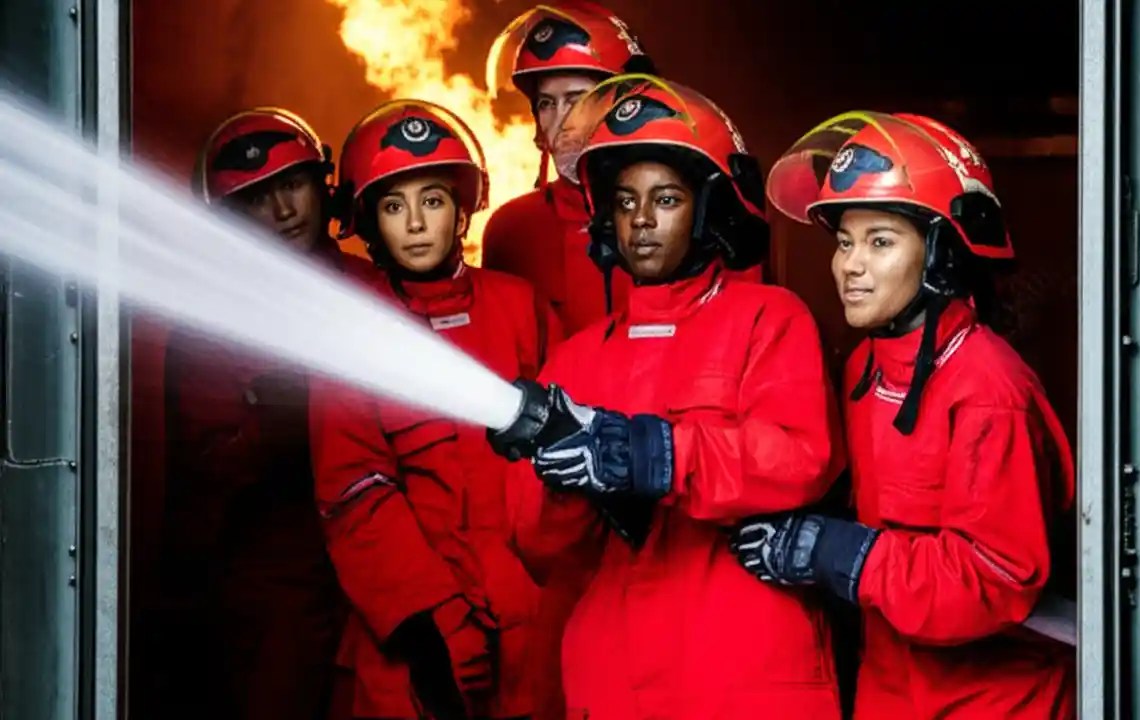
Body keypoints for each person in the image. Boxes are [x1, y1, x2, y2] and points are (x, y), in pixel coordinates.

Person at [488, 76, 841, 720]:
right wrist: (558, 478)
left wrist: (652, 453)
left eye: (666, 199)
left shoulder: (770, 318)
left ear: (706, 208)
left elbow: (800, 458)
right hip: (612, 676)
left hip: (742, 671)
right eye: (625, 201)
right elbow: (541, 548)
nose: (642, 220)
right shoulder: (577, 356)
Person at [730, 112, 1076, 718]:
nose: (849, 266)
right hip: (891, 689)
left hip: (994, 702)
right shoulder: (864, 367)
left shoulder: (988, 386)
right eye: (844, 242)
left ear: (942, 254)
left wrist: (844, 553)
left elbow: (995, 579)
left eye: (880, 241)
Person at [309, 99, 561, 720]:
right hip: (412, 644)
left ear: (463, 210)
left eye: (434, 200)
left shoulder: (520, 307)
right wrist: (435, 621)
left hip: (531, 633)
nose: (416, 223)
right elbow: (354, 493)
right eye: (395, 206)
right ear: (369, 220)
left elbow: (568, 458)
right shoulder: (351, 332)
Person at [158, 107, 368, 720]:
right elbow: (206, 476)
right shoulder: (207, 325)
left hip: (394, 573)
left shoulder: (377, 293)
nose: (283, 211)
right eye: (255, 199)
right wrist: (280, 428)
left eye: (293, 184)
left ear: (323, 186)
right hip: (275, 588)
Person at [481, 1, 654, 334]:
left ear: (624, 105)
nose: (560, 120)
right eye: (547, 103)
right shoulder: (512, 230)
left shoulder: (672, 212)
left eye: (576, 99)